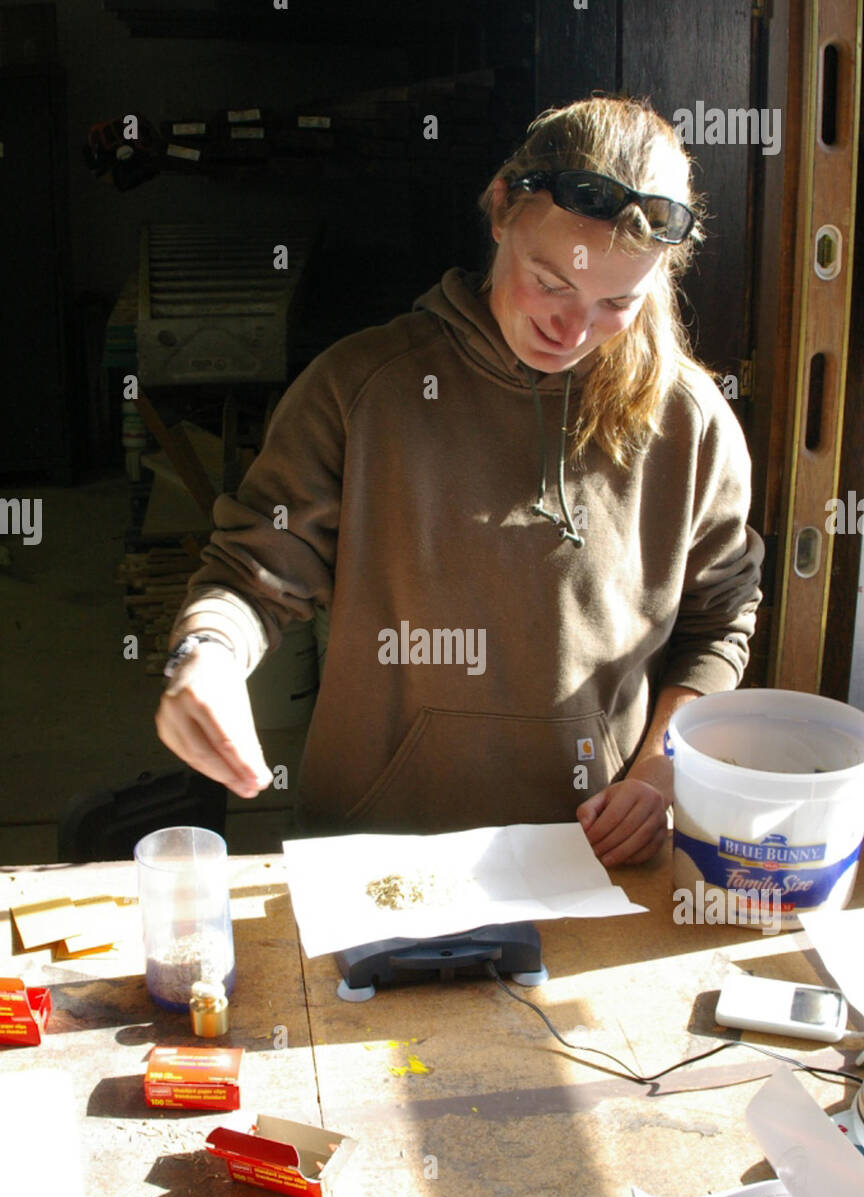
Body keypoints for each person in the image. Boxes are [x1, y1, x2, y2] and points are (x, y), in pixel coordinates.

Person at [156, 95, 764, 868]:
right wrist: (203, 656)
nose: (571, 331)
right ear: (500, 206)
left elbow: (719, 626)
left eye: (617, 302)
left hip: (592, 856)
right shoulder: (360, 386)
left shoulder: (690, 421)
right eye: (549, 281)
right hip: (374, 852)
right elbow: (251, 576)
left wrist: (662, 765)